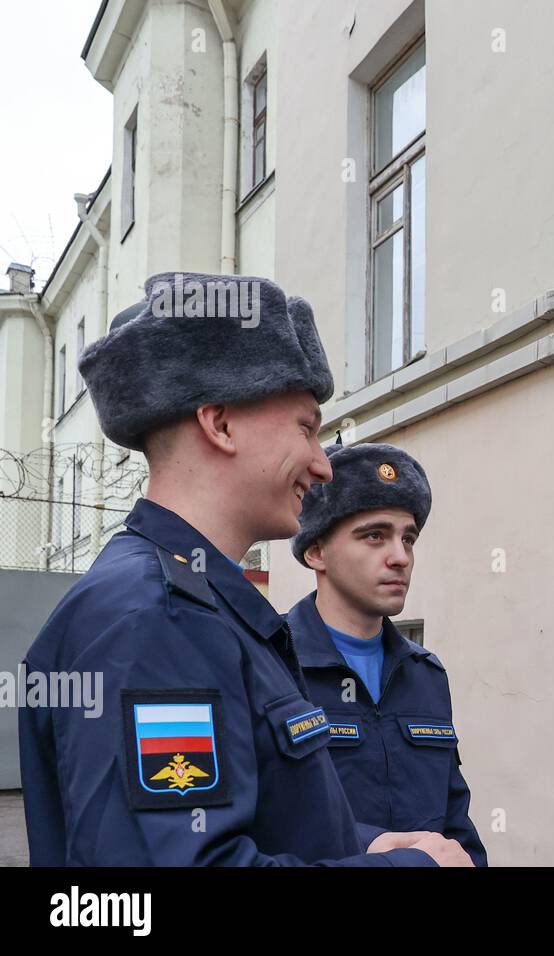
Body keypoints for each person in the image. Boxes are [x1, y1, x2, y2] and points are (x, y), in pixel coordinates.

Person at [20, 271, 464, 865]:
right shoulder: (156, 619)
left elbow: (258, 819)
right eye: (306, 428)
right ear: (220, 424)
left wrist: (371, 842)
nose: (322, 464)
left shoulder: (201, 606)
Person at [286, 439, 487, 866]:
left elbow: (456, 827)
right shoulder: (270, 662)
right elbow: (263, 819)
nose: (400, 557)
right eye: (375, 536)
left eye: (408, 538)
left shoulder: (425, 674)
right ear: (316, 551)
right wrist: (375, 846)